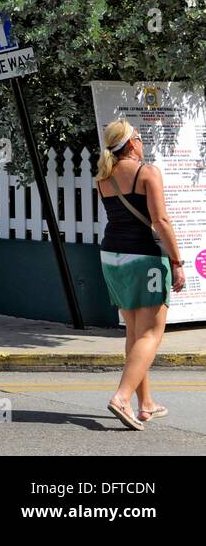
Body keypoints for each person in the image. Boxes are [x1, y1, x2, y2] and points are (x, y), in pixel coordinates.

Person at [94, 119, 186, 430]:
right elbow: (160, 220)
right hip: (144, 258)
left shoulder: (103, 176)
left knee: (134, 333)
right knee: (151, 334)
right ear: (132, 144)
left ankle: (145, 403)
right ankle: (122, 397)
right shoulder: (148, 173)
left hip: (112, 257)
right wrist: (177, 261)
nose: (142, 141)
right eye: (139, 136)